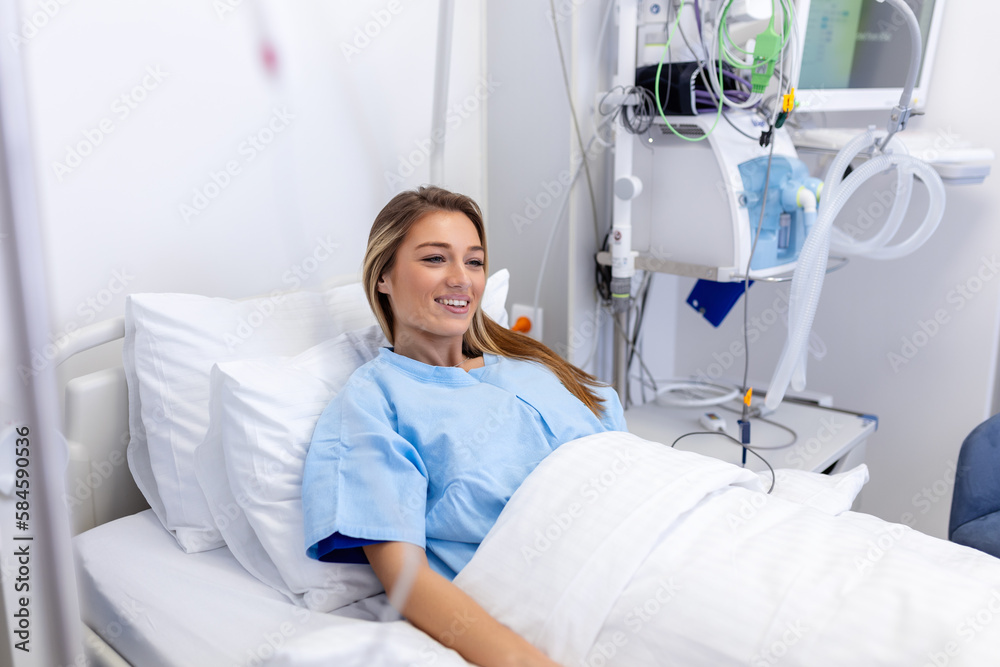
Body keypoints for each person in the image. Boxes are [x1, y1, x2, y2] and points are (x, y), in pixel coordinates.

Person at [302, 185, 626, 666]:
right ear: (384, 276)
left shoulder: (529, 364)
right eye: (436, 259)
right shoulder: (373, 405)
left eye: (473, 262)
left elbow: (628, 458)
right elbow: (408, 581)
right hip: (586, 590)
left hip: (654, 534)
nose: (462, 280)